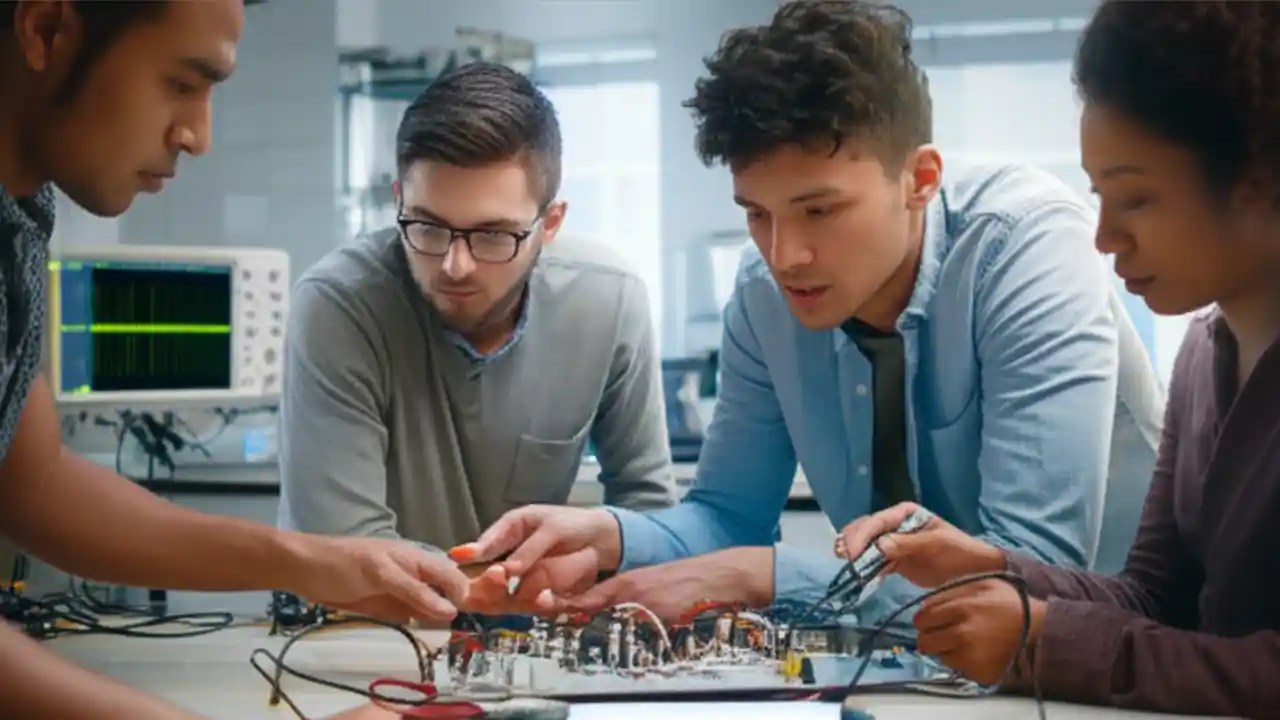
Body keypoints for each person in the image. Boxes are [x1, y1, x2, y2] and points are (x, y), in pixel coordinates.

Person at [455, 0, 1166, 623]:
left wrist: (755, 577)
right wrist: (607, 538)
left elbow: (1027, 573)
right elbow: (729, 517)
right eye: (757, 214)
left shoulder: (1029, 247)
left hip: (1107, 660)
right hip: (920, 670)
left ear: (919, 180)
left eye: (819, 210)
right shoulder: (762, 297)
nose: (784, 253)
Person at [0, 2, 472, 717]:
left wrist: (318, 563)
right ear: (46, 31)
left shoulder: (20, 222)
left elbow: (32, 483)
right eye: (182, 83)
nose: (199, 136)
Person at [836, 2, 1280, 716]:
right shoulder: (1204, 355)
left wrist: (1045, 643)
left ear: (1258, 176)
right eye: (1100, 195)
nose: (1104, 238)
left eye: (1136, 197)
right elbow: (1154, 601)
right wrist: (997, 568)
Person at [276, 61, 675, 555]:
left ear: (549, 224)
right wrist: (514, 591)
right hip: (361, 629)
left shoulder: (610, 300)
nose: (454, 265)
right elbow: (344, 550)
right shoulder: (338, 306)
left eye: (492, 234)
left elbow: (648, 510)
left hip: (526, 622)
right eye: (427, 226)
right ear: (399, 199)